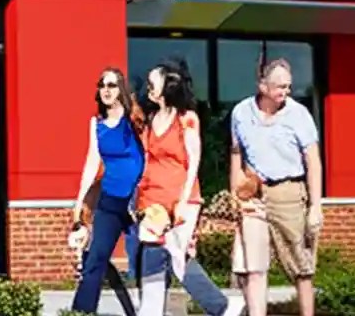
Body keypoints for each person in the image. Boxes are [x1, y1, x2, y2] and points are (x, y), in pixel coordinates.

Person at [135, 58, 243, 316]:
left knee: (177, 256)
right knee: (152, 257)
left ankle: (222, 307)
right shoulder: (150, 119)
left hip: (182, 199)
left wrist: (183, 202)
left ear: (168, 86)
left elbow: (194, 161)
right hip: (153, 201)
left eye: (153, 81)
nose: (149, 86)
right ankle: (150, 310)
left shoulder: (187, 119)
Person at [230, 57, 324, 316]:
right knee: (254, 267)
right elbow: (236, 155)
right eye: (280, 86)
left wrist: (316, 206)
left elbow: (313, 162)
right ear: (263, 86)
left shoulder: (299, 115)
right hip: (255, 195)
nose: (286, 92)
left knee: (302, 268)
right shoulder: (241, 113)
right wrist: (235, 195)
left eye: (288, 87)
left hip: (289, 193)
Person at [69, 67, 145, 314]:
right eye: (102, 85)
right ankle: (81, 312)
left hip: (136, 200)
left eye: (112, 85)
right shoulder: (97, 124)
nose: (106, 90)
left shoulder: (133, 120)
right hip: (110, 200)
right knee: (95, 260)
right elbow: (92, 163)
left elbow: (148, 155)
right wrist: (80, 201)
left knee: (143, 264)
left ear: (121, 89)